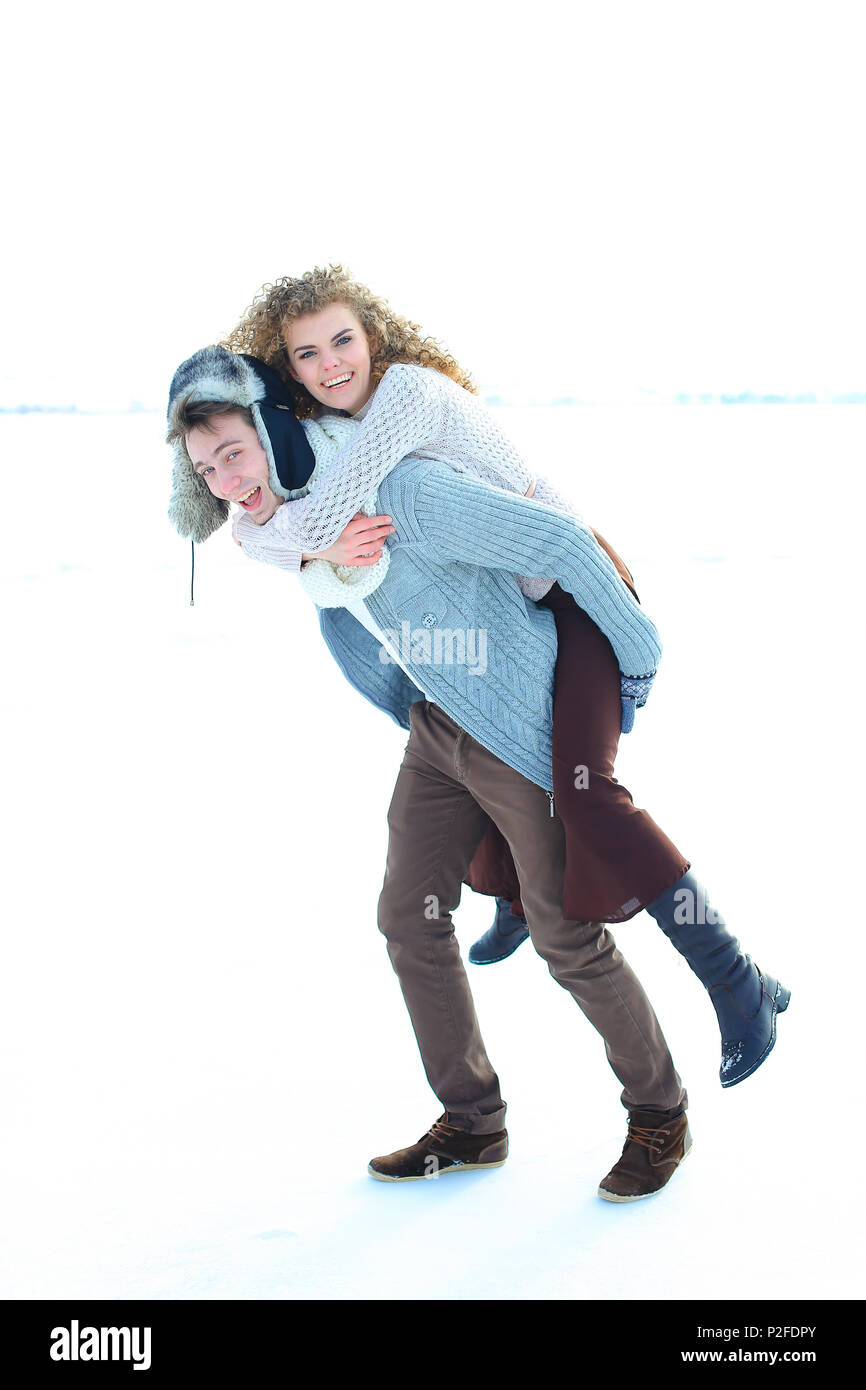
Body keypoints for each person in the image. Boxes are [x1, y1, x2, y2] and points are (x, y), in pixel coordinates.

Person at [218, 266, 790, 1091]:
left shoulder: (403, 397)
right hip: (526, 595)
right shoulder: (345, 430)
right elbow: (277, 525)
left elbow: (310, 518)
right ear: (290, 367)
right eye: (306, 354)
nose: (332, 363)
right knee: (478, 733)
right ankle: (518, 898)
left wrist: (638, 651)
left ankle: (738, 980)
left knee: (590, 793)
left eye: (343, 339)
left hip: (578, 587)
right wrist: (276, 534)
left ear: (373, 333)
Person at [166, 343, 694, 1202]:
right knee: (408, 918)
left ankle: (660, 1113)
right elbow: (292, 566)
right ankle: (474, 1121)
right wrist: (389, 677)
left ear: (273, 432)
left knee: (566, 934)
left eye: (233, 452)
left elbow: (559, 538)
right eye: (204, 468)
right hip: (435, 729)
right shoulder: (296, 526)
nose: (225, 480)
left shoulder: (404, 488)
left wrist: (636, 663)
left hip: (515, 727)